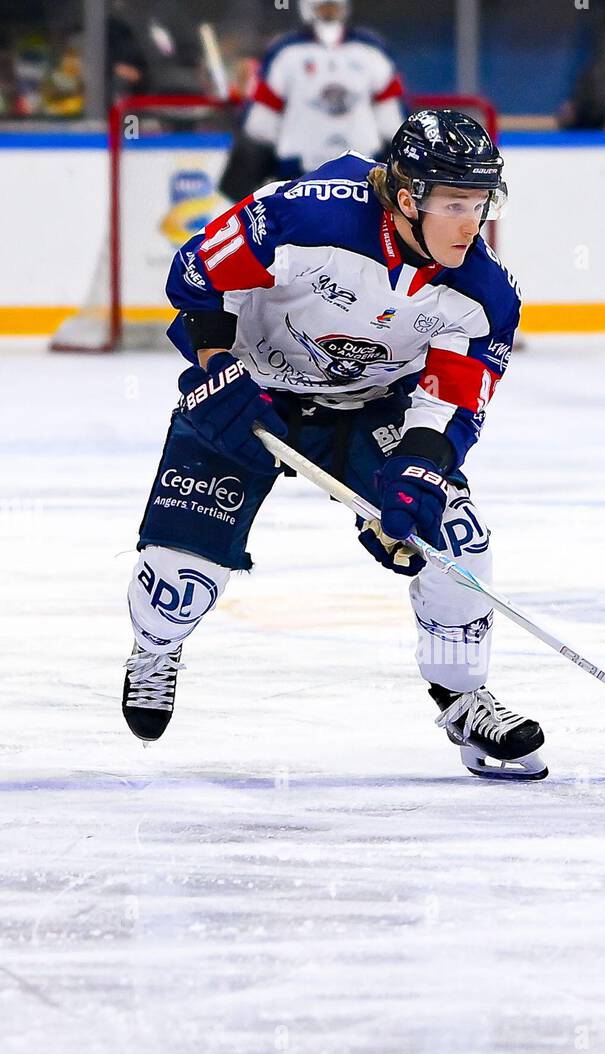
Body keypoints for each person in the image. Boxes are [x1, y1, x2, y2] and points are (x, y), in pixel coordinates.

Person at [121, 109, 547, 781]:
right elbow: (198, 274)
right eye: (455, 204)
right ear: (408, 199)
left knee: (453, 536)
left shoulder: (484, 293)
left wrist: (420, 469)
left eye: (480, 203)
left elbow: (451, 400)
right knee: (182, 577)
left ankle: (462, 699)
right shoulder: (308, 217)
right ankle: (154, 647)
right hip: (249, 388)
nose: (474, 223)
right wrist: (215, 366)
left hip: (372, 405)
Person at [219, 0, 405, 204]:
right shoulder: (287, 52)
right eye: (323, 8)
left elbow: (391, 121)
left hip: (364, 171)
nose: (329, 13)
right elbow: (261, 124)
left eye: (333, 8)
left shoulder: (370, 51)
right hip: (298, 171)